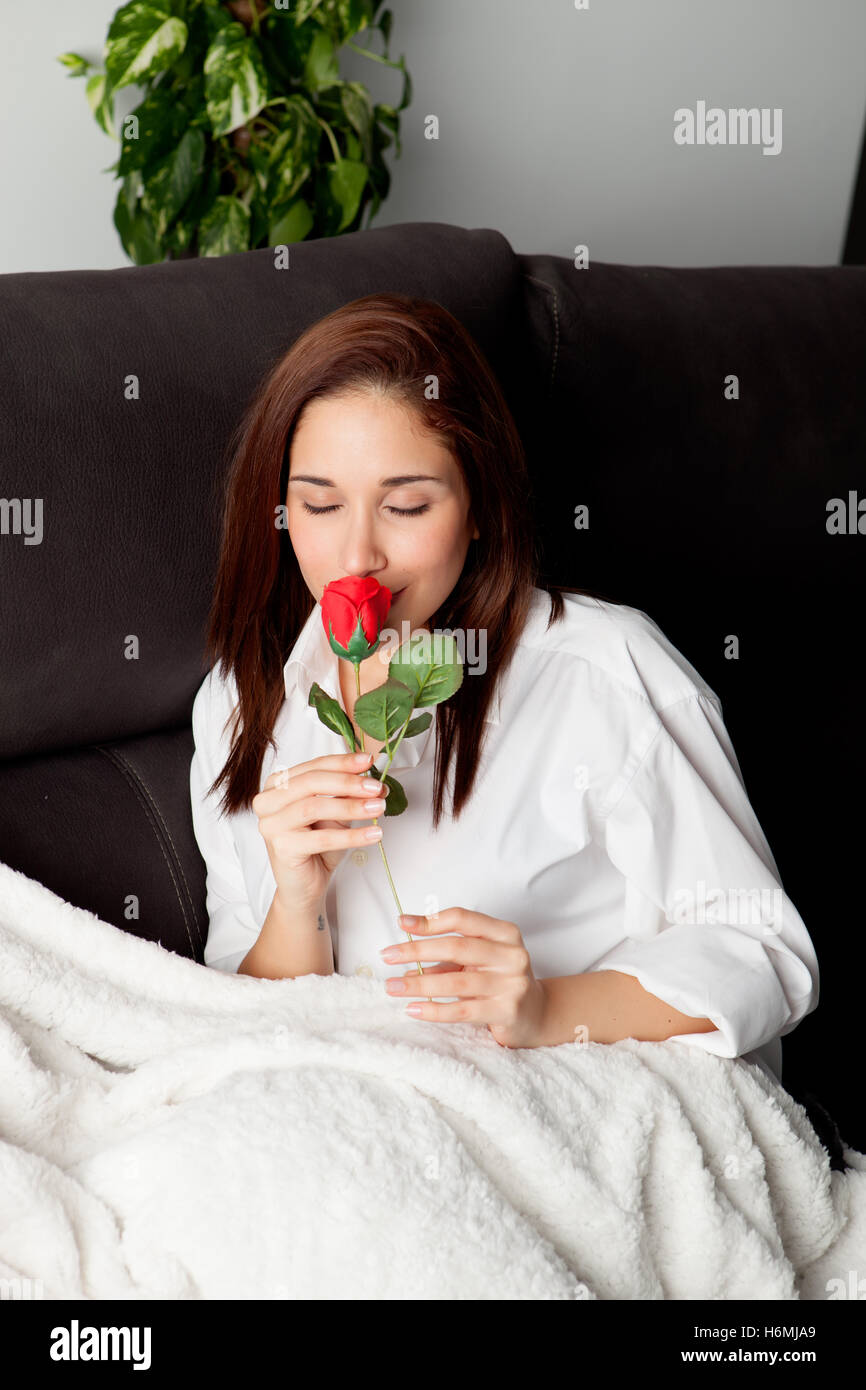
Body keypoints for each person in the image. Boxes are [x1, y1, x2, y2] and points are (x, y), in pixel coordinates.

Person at [189, 292, 818, 1074]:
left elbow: (765, 952)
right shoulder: (236, 703)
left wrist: (549, 1007)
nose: (357, 557)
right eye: (319, 503)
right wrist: (296, 906)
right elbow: (233, 1024)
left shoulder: (602, 671)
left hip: (572, 1096)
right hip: (341, 1112)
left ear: (480, 505)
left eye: (407, 505)